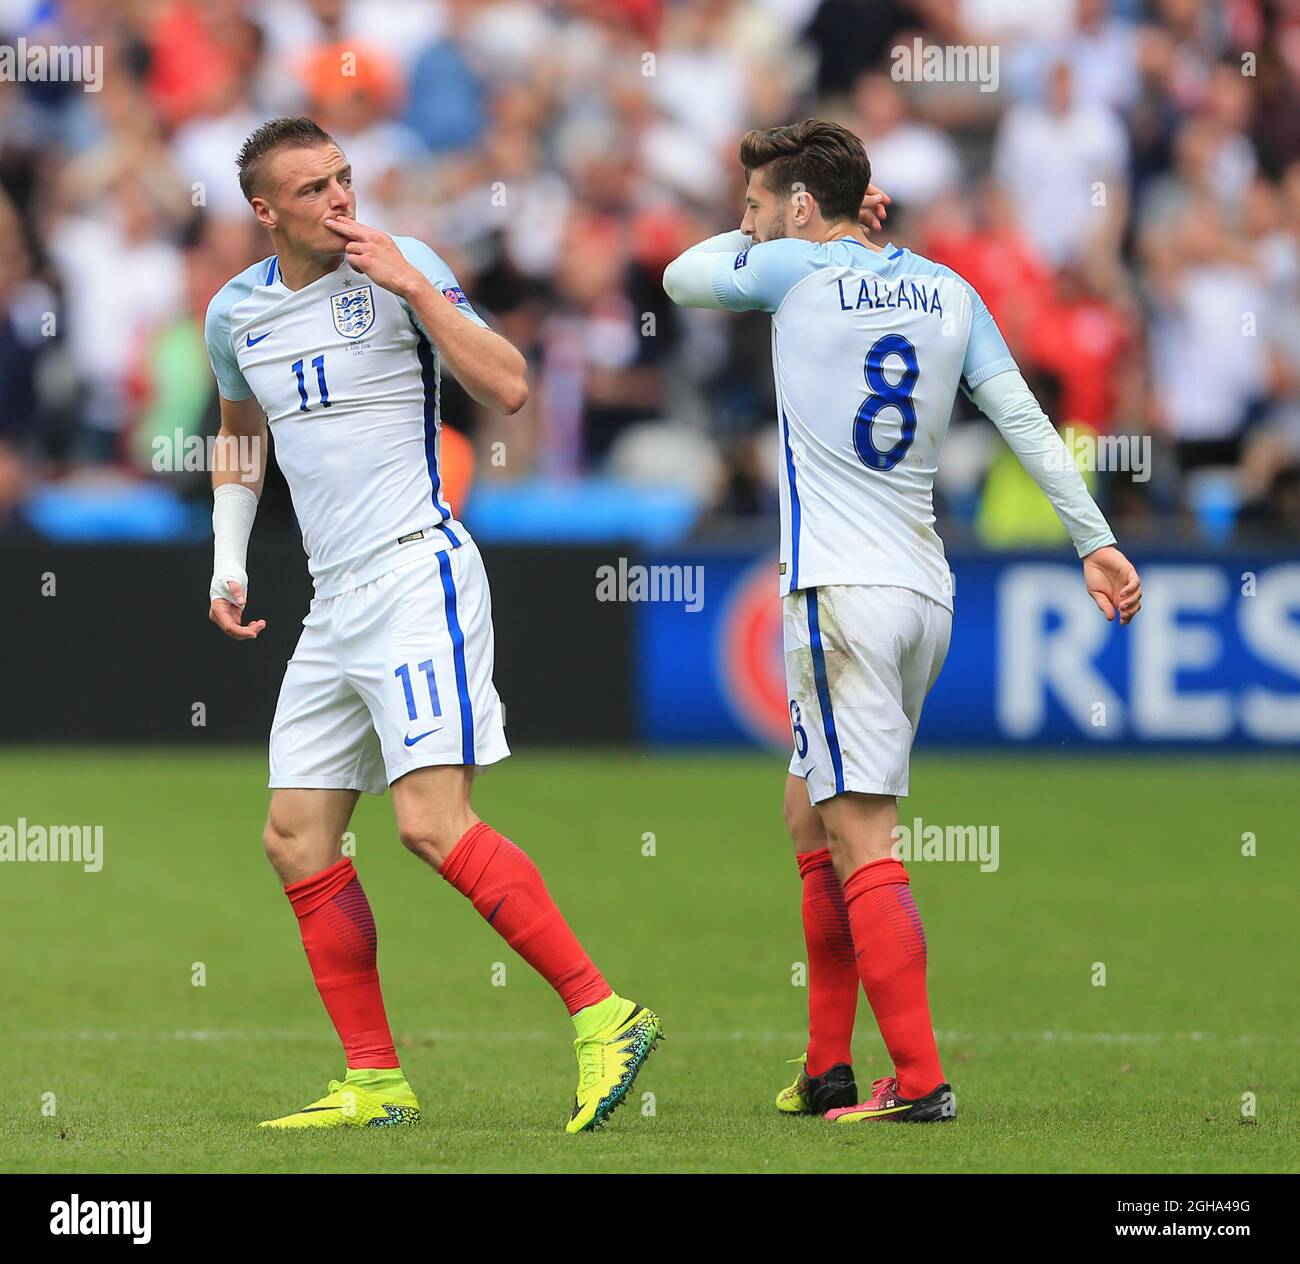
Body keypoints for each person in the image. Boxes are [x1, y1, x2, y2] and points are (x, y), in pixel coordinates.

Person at [663, 119, 1140, 1123]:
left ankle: (919, 1081)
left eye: (758, 204)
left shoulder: (789, 269)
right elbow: (1021, 421)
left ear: (797, 208)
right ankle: (827, 1063)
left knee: (863, 835)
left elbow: (680, 275)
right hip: (923, 592)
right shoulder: (949, 290)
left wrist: (776, 239)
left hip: (837, 593)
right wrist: (1091, 538)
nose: (746, 223)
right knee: (810, 812)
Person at [205, 116, 660, 1133]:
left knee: (427, 822)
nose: (339, 201)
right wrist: (229, 561)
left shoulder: (402, 265)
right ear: (263, 209)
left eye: (344, 179)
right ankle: (376, 1081)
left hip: (419, 572)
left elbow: (505, 383)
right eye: (313, 189)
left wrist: (414, 288)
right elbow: (241, 440)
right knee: (293, 836)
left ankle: (605, 1012)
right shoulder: (234, 314)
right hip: (333, 599)